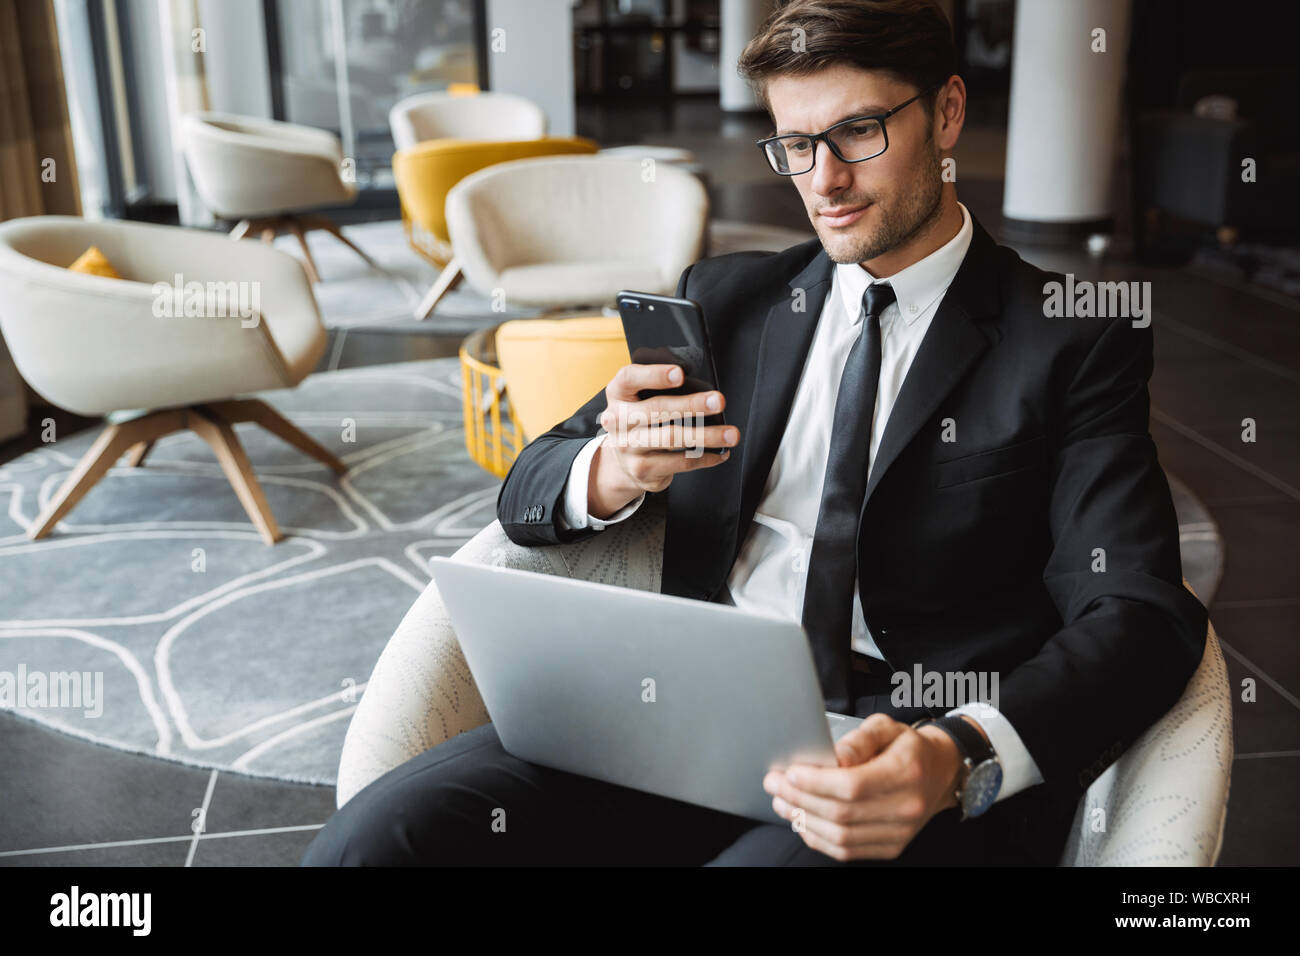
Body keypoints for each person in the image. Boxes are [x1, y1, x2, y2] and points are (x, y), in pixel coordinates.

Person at [302, 0, 1207, 866]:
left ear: (947, 114)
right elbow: (529, 488)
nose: (826, 179)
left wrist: (960, 754)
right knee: (376, 841)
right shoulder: (727, 302)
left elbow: (1138, 610)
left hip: (904, 743)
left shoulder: (1071, 336)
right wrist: (612, 467)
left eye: (859, 132)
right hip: (688, 715)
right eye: (797, 145)